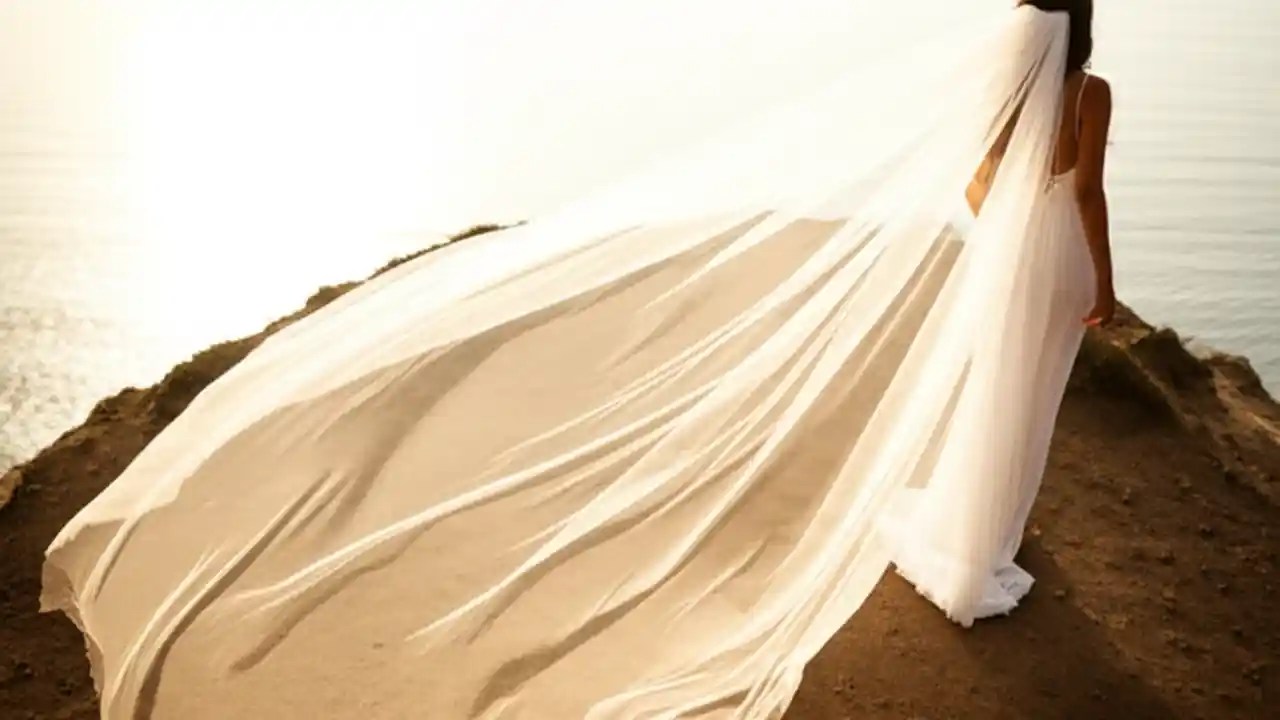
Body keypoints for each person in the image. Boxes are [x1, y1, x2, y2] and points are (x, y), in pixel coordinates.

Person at [41, 3, 1114, 717]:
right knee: (1030, 400)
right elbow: (1086, 193)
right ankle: (989, 541)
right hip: (1056, 252)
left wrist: (1007, 229)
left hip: (1004, 250)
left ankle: (965, 539)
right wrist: (1098, 286)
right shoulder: (1088, 96)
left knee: (992, 393)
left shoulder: (1003, 98)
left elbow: (983, 190)